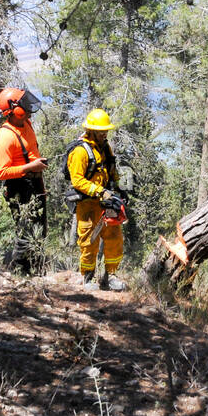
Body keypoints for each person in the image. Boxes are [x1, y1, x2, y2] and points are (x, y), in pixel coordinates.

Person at [66, 109, 127, 291]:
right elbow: (77, 180)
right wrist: (99, 191)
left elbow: (111, 168)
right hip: (87, 204)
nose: (104, 134)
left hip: (106, 202)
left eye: (105, 131)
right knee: (88, 241)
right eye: (101, 131)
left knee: (114, 237)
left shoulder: (105, 147)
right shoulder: (80, 151)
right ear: (91, 130)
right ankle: (88, 278)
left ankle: (110, 276)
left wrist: (119, 187)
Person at [0, 87, 48, 275]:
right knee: (25, 230)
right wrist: (30, 167)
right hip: (18, 186)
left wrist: (36, 169)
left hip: (34, 182)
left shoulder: (28, 124)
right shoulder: (5, 136)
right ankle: (21, 273)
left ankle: (38, 271)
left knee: (40, 228)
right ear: (14, 109)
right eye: (23, 103)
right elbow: (2, 173)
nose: (28, 106)